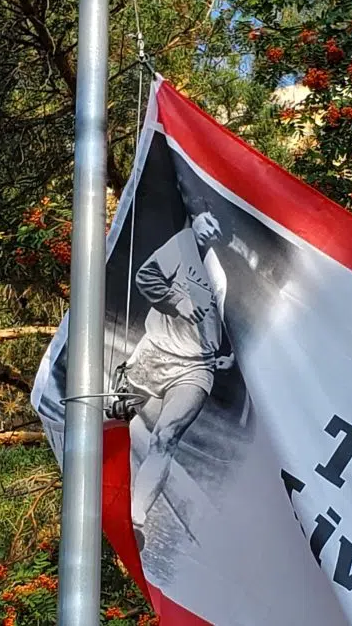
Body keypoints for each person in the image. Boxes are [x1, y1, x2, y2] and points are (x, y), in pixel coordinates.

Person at [124, 209, 234, 543]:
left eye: (218, 228)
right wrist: (177, 300)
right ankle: (127, 492)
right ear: (195, 217)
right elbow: (146, 277)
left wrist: (227, 354)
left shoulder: (223, 272)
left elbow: (230, 318)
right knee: (135, 427)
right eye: (207, 221)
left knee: (165, 437)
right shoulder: (183, 244)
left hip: (197, 367)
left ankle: (137, 517)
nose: (210, 230)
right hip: (155, 355)